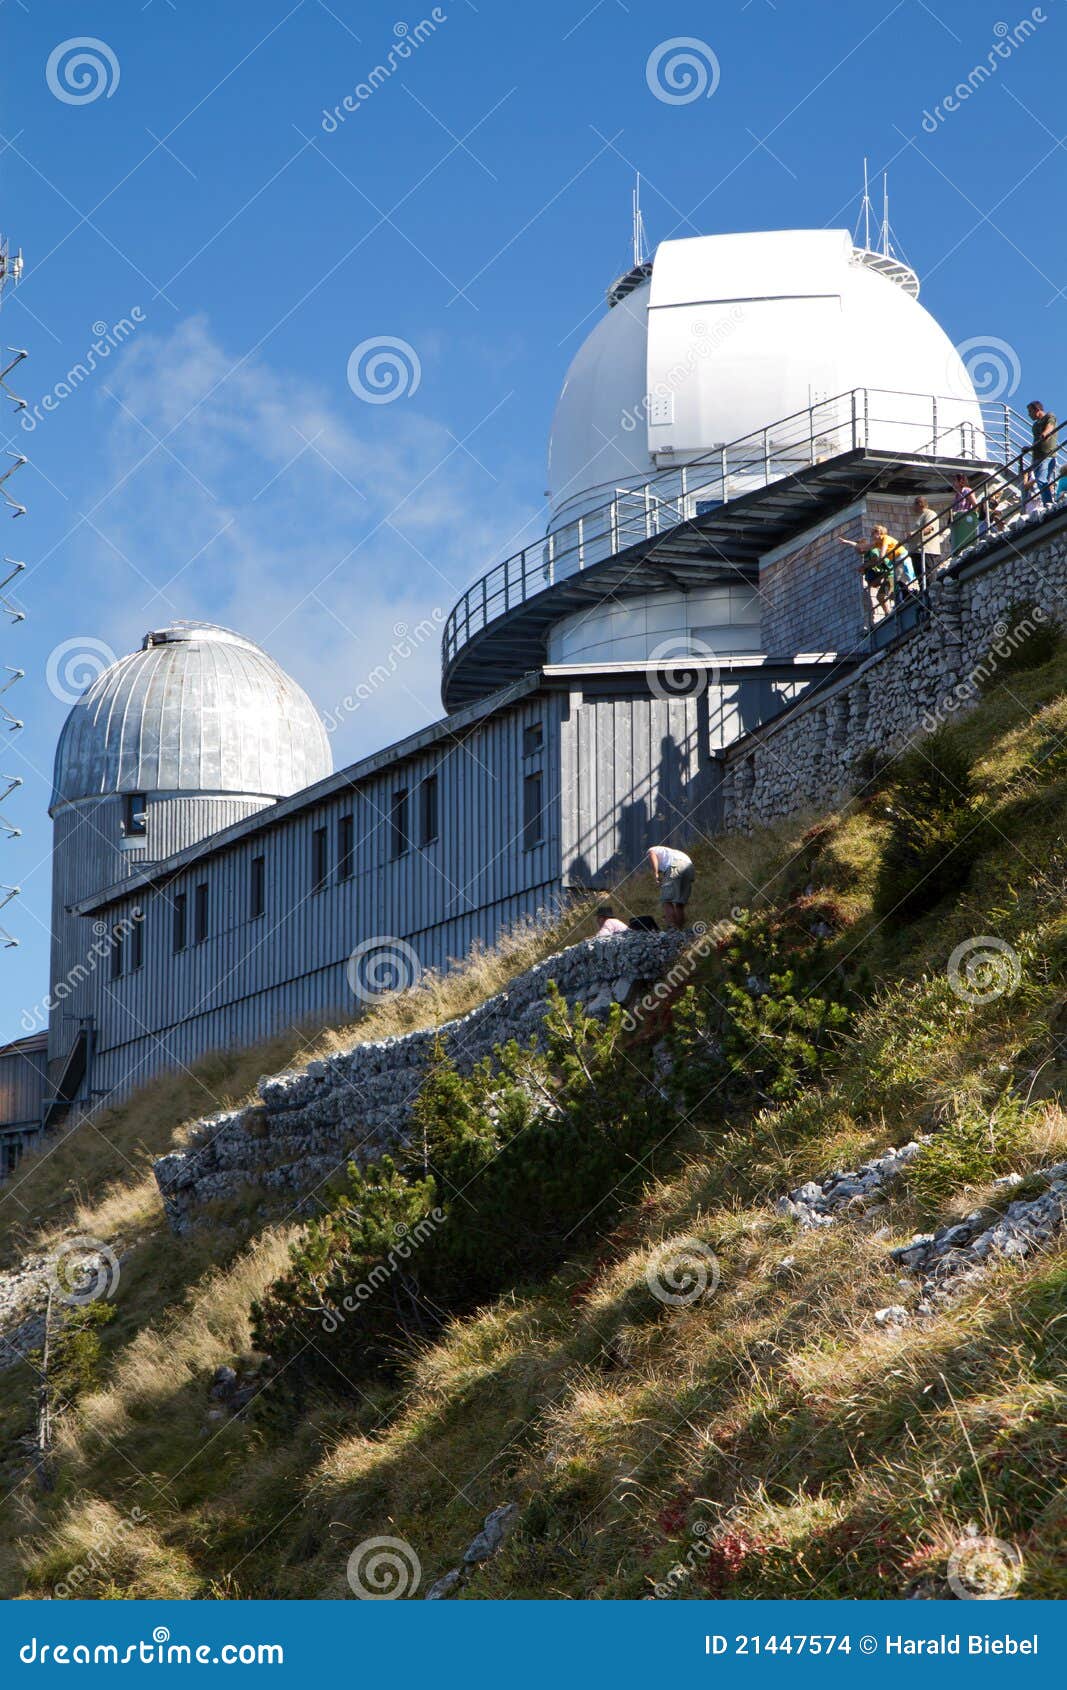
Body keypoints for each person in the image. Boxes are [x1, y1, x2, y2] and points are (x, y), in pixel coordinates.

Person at [840, 523, 908, 626]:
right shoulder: (870, 550)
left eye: (873, 534)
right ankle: (893, 609)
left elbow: (877, 558)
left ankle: (892, 611)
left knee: (883, 595)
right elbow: (861, 547)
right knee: (886, 595)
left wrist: (865, 566)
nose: (857, 550)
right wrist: (848, 542)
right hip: (887, 574)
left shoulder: (874, 549)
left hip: (891, 573)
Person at [647, 845, 695, 931]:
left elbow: (652, 854)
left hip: (675, 866)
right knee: (679, 903)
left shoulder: (652, 850)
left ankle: (671, 928)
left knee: (667, 900)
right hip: (689, 867)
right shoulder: (669, 852)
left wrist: (656, 874)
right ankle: (680, 930)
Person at [907, 495, 944, 588]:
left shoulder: (930, 514)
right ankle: (923, 594)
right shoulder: (920, 516)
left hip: (927, 552)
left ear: (920, 504)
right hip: (917, 552)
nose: (912, 506)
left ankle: (930, 595)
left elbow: (929, 529)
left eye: (914, 504)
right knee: (921, 580)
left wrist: (913, 534)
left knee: (929, 579)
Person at [1027, 400, 1059, 508]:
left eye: (1030, 411)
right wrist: (1029, 448)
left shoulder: (1049, 416)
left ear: (1037, 410)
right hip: (1037, 457)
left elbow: (1050, 426)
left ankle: (1048, 503)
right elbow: (1036, 440)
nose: (1029, 415)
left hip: (1047, 454)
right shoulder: (1035, 425)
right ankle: (1048, 503)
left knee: (1041, 480)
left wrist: (1045, 433)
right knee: (1043, 480)